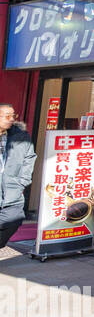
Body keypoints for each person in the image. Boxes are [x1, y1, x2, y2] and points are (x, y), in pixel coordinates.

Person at [0, 104, 35, 249]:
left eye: (13, 116)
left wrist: (23, 181)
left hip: (11, 188)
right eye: (6, 116)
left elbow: (30, 157)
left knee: (14, 218)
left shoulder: (21, 136)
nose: (11, 119)